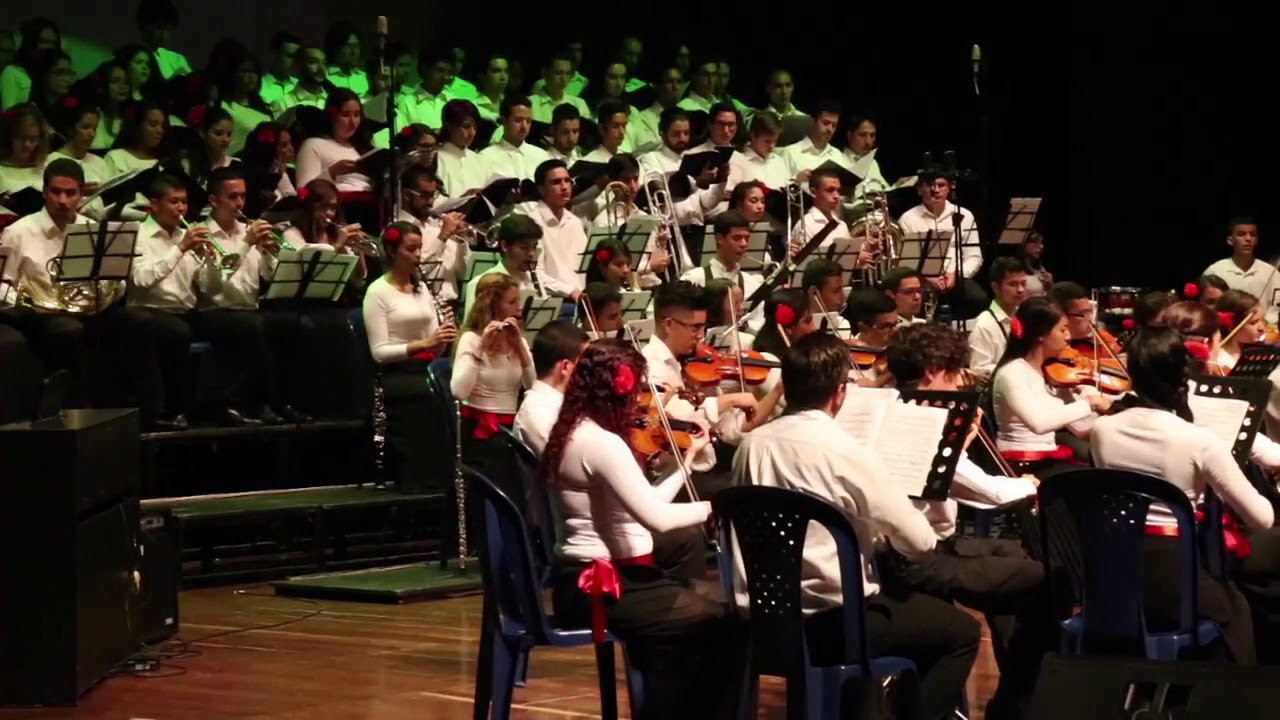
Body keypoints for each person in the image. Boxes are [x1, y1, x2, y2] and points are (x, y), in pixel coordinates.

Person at [732, 332, 979, 720]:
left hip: (763, 621)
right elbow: (919, 542)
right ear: (839, 394)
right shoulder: (845, 451)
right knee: (961, 633)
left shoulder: (750, 446)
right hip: (834, 626)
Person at [541, 340, 742, 720]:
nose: (638, 403)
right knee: (723, 622)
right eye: (636, 392)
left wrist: (686, 460)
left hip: (582, 582)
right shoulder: (602, 443)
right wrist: (715, 507)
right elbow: (657, 518)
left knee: (707, 613)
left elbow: (644, 503)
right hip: (600, 587)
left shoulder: (574, 430)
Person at [885, 322, 1048, 718]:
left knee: (1014, 568)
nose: (961, 384)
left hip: (932, 547)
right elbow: (986, 493)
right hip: (920, 558)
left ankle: (1014, 703)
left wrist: (963, 441)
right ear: (932, 371)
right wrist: (1027, 485)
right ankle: (1015, 701)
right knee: (1044, 580)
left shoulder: (888, 408)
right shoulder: (922, 423)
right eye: (956, 373)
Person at [1091, 326, 1275, 664]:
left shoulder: (1101, 430)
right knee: (1237, 610)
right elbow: (1261, 518)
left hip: (1113, 567)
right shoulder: (1199, 441)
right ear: (1183, 377)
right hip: (1175, 575)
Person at [361, 221, 457, 492]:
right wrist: (425, 343)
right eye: (411, 249)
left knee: (457, 386)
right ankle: (423, 479)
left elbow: (436, 349)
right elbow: (379, 353)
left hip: (425, 368)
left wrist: (444, 334)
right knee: (431, 394)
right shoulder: (377, 292)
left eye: (419, 249)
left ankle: (451, 477)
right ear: (392, 251)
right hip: (395, 373)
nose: (417, 255)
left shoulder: (422, 289)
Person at [991, 296, 1111, 473]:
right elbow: (1039, 424)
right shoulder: (1011, 373)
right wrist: (1089, 403)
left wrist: (1113, 419)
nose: (1068, 337)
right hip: (1020, 462)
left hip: (1047, 457)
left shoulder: (1054, 372)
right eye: (1063, 330)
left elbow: (1080, 428)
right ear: (1041, 335)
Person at [451, 273, 535, 499]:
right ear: (492, 305)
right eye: (512, 302)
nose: (519, 307)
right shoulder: (471, 339)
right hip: (480, 432)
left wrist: (521, 349)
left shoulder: (518, 339)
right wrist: (481, 349)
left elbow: (532, 388)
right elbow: (459, 391)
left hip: (510, 429)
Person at [513, 319, 588, 454]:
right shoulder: (540, 413)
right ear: (565, 367)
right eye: (585, 362)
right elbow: (574, 459)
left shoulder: (548, 403)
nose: (591, 367)